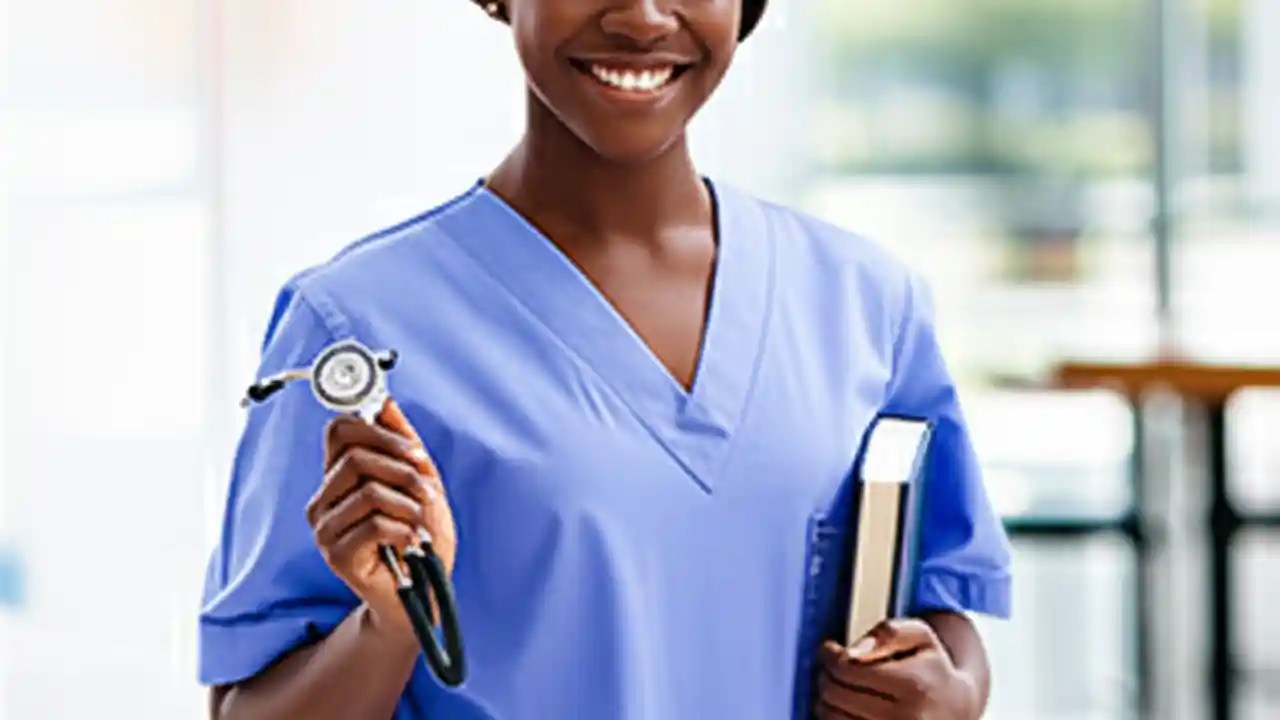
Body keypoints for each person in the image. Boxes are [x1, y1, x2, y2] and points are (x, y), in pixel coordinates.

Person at [198, 0, 1013, 718]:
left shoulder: (866, 304)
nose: (642, 16)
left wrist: (954, 695)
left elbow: (944, 609)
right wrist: (393, 624)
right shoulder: (356, 325)